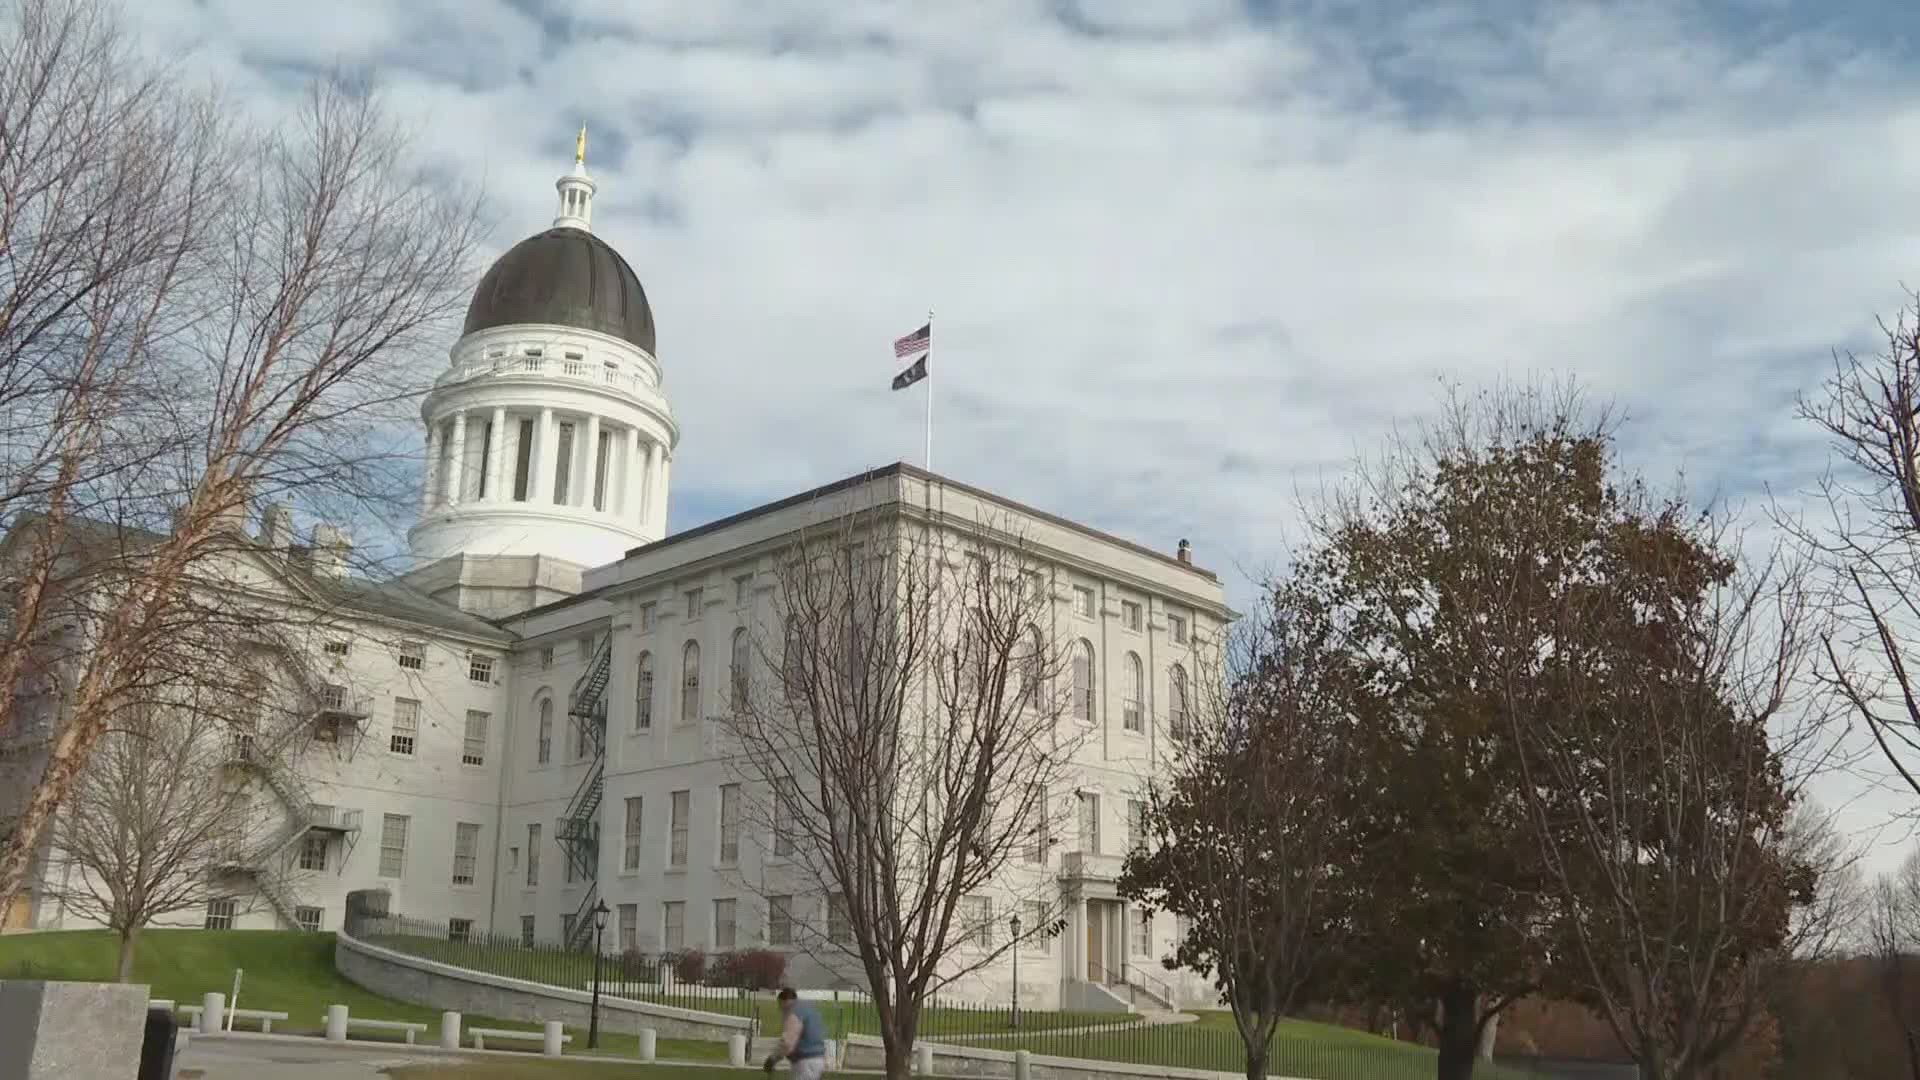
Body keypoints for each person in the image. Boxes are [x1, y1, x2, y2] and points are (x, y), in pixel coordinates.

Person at [762, 986, 828, 1078]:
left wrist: (773, 1059)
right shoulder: (808, 1009)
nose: (780, 1010)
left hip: (805, 1061)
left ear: (783, 1002)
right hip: (817, 1059)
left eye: (780, 1006)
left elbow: (787, 1043)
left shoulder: (794, 1013)